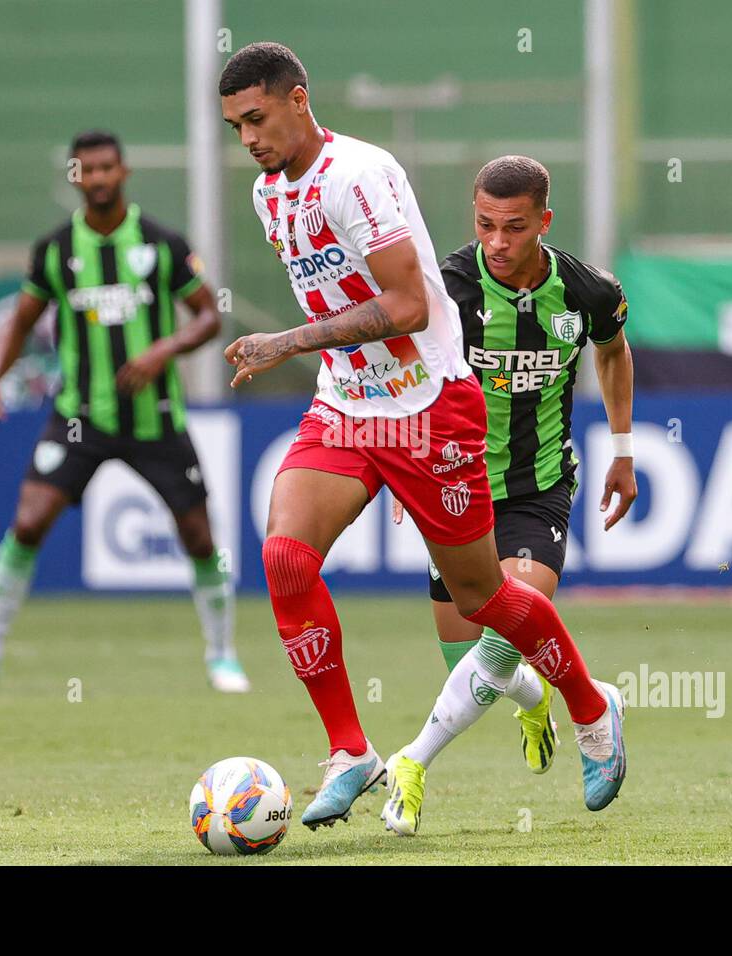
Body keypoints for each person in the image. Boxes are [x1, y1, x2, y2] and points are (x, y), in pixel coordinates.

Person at [219, 42, 628, 830]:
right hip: (346, 404)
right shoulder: (271, 193)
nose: (248, 140)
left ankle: (589, 708)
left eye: (257, 119)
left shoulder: (359, 176)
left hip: (428, 408)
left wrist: (290, 342)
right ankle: (351, 751)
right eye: (235, 126)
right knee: (284, 557)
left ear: (299, 99)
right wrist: (320, 353)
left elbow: (407, 305)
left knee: (482, 599)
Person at [0, 130, 249, 695]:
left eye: (109, 167)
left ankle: (222, 655)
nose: (100, 177)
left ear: (124, 172)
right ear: (75, 178)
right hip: (79, 417)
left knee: (200, 537)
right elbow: (22, 320)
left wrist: (162, 350)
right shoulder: (57, 251)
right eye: (88, 169)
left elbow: (209, 317)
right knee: (29, 522)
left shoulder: (161, 245)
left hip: (154, 417)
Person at [381, 155, 635, 835]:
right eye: (486, 225)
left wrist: (622, 449)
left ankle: (411, 760)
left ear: (544, 222)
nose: (497, 242)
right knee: (474, 664)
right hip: (457, 488)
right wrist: (410, 463)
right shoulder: (449, 289)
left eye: (515, 228)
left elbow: (612, 350)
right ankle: (545, 699)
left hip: (538, 488)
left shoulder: (587, 290)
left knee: (500, 638)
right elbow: (408, 368)